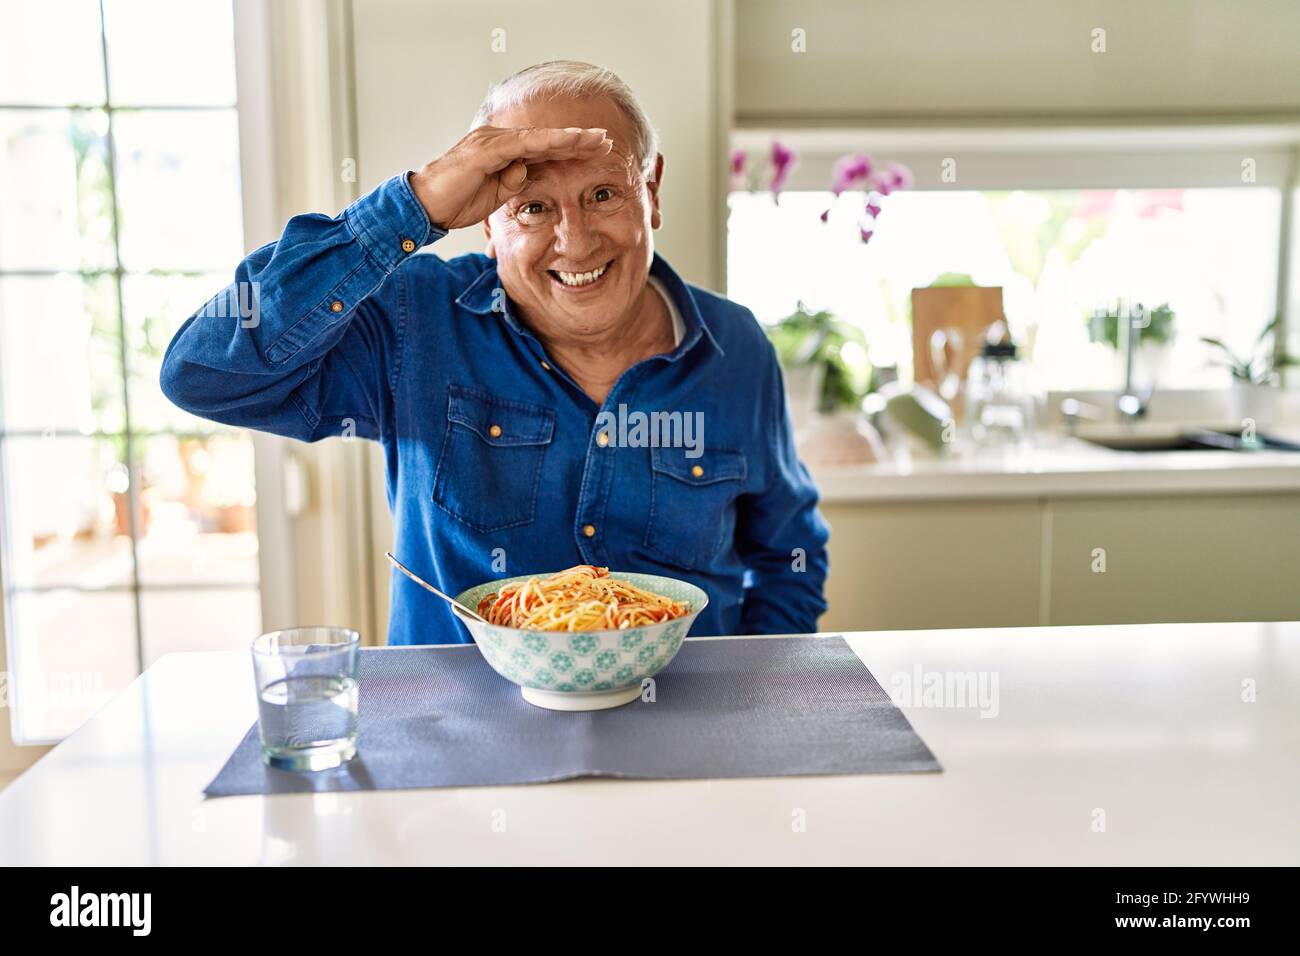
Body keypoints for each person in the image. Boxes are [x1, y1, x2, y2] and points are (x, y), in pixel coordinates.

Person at [161, 60, 829, 645]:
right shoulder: (414, 319)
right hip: (459, 758)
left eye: (603, 194)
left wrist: (743, 697)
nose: (575, 241)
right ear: (487, 221)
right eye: (533, 208)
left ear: (650, 191)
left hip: (680, 741)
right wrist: (413, 206)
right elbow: (202, 372)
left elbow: (788, 557)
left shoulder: (736, 347)